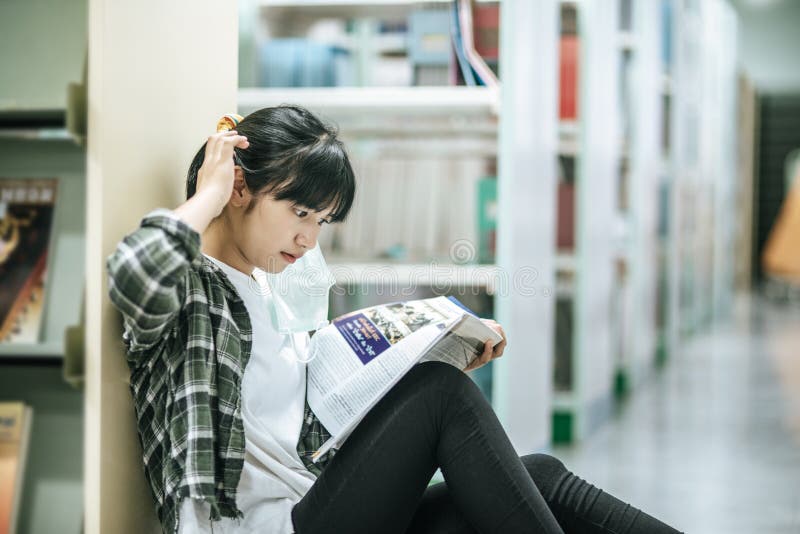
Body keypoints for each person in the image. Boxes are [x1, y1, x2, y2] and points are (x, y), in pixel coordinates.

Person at [107, 106, 683, 534]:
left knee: (543, 474)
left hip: (316, 505)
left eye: (322, 220)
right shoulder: (194, 291)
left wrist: (431, 349)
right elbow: (132, 273)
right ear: (239, 189)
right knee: (441, 396)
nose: (309, 238)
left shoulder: (264, 292)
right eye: (299, 212)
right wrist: (208, 194)